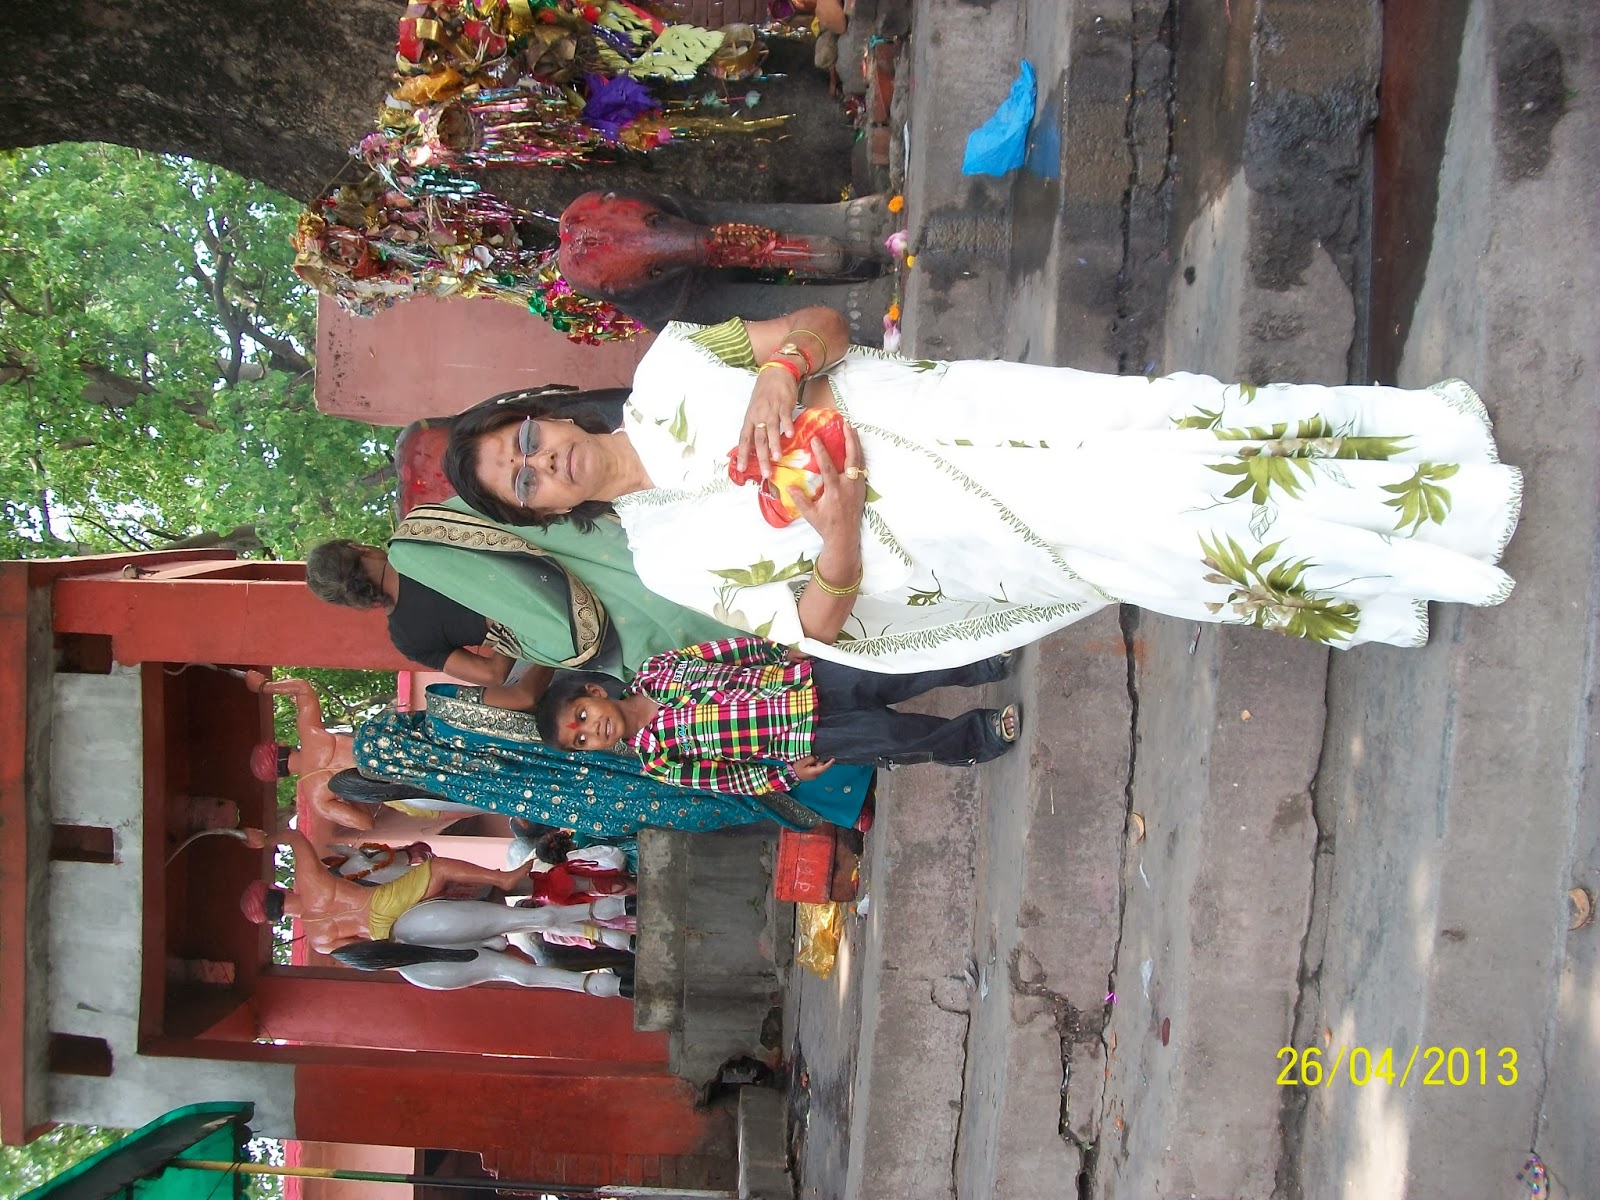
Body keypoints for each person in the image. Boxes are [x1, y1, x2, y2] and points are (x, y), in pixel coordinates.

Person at [439, 306, 1522, 668]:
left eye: (523, 439)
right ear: (541, 515)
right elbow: (814, 623)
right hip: (954, 544)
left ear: (545, 412)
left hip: (978, 414)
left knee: (1180, 420)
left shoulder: (677, 360)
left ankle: (1417, 462)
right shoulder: (663, 555)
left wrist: (776, 370)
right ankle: (1410, 554)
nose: (539, 461)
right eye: (521, 483)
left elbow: (823, 331)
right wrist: (841, 535)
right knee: (1163, 533)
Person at [352, 676, 870, 836]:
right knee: (723, 740)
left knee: (711, 784)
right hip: (599, 743)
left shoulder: (451, 782)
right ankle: (851, 758)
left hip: (600, 789)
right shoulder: (445, 706)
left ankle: (842, 803)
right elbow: (526, 700)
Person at [535, 636, 1018, 796]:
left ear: (595, 691)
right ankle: (980, 737)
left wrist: (780, 649)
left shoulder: (658, 668)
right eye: (582, 742)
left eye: (582, 715)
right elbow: (731, 781)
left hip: (806, 681)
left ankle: (983, 661)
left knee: (897, 672)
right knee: (897, 735)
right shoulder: (658, 760)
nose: (591, 731)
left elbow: (728, 653)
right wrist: (787, 776)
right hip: (806, 738)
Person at [237, 827, 632, 996]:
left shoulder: (322, 942)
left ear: (276, 920)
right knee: (438, 868)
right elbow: (293, 837)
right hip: (383, 906)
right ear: (277, 888)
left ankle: (603, 980)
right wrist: (265, 839)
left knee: (517, 974)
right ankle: (506, 878)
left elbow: (376, 954)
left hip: (388, 939)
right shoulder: (313, 884)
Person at [244, 669, 482, 832]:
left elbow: (364, 823)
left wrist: (351, 794)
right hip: (403, 747)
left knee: (452, 807)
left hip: (399, 787)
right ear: (281, 746)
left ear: (280, 776)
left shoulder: (317, 797)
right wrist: (264, 687)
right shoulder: (311, 736)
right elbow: (302, 688)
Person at [305, 538, 525, 687]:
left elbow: (492, 674)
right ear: (358, 547)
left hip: (546, 628)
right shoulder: (415, 539)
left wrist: (516, 623)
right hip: (542, 561)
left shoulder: (406, 639)